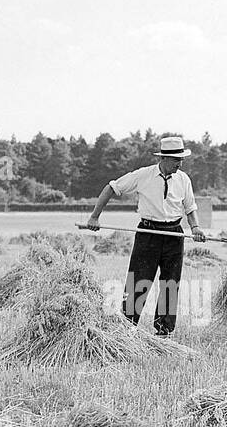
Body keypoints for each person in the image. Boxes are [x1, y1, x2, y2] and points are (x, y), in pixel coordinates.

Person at [83, 135, 206, 336]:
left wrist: (196, 228)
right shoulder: (143, 176)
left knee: (170, 283)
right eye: (177, 159)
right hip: (148, 234)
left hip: (175, 234)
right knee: (138, 281)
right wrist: (94, 217)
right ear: (164, 158)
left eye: (181, 159)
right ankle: (127, 329)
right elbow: (111, 187)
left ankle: (164, 331)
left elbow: (190, 207)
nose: (180, 163)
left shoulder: (184, 179)